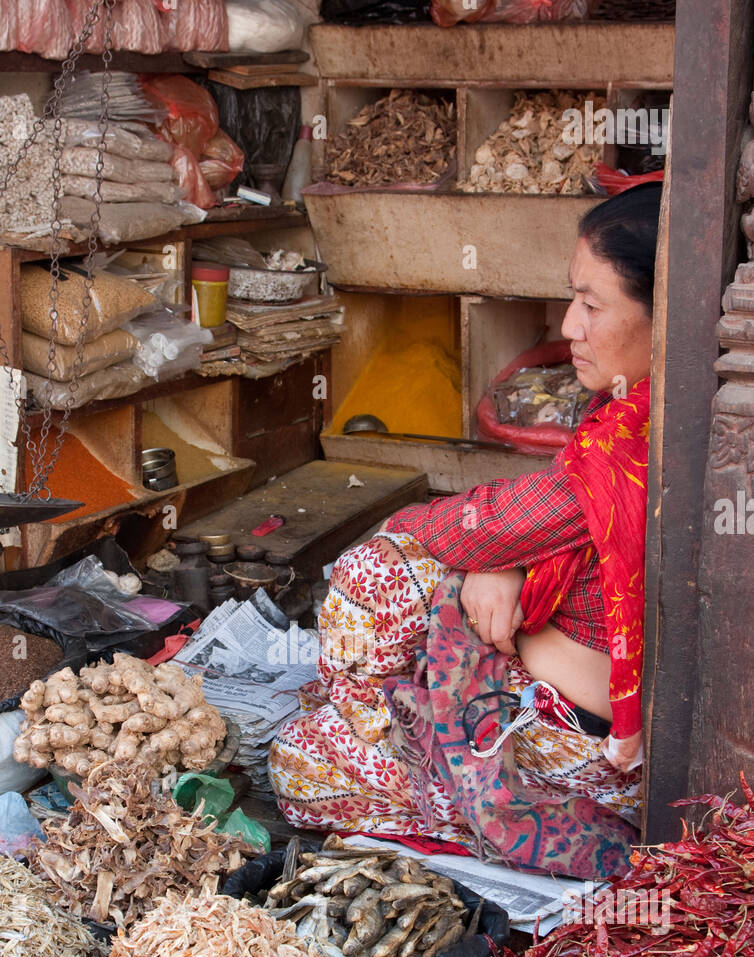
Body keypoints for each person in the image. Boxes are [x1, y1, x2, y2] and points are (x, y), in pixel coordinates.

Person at [269, 184, 662, 881]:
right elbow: (514, 527)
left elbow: (476, 524)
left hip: (579, 746)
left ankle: (482, 811)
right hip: (551, 689)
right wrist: (499, 561)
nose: (570, 326)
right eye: (573, 298)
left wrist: (474, 545)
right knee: (418, 584)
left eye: (593, 306)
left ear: (668, 317)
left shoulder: (635, 446)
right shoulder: (642, 415)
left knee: (302, 753)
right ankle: (423, 751)